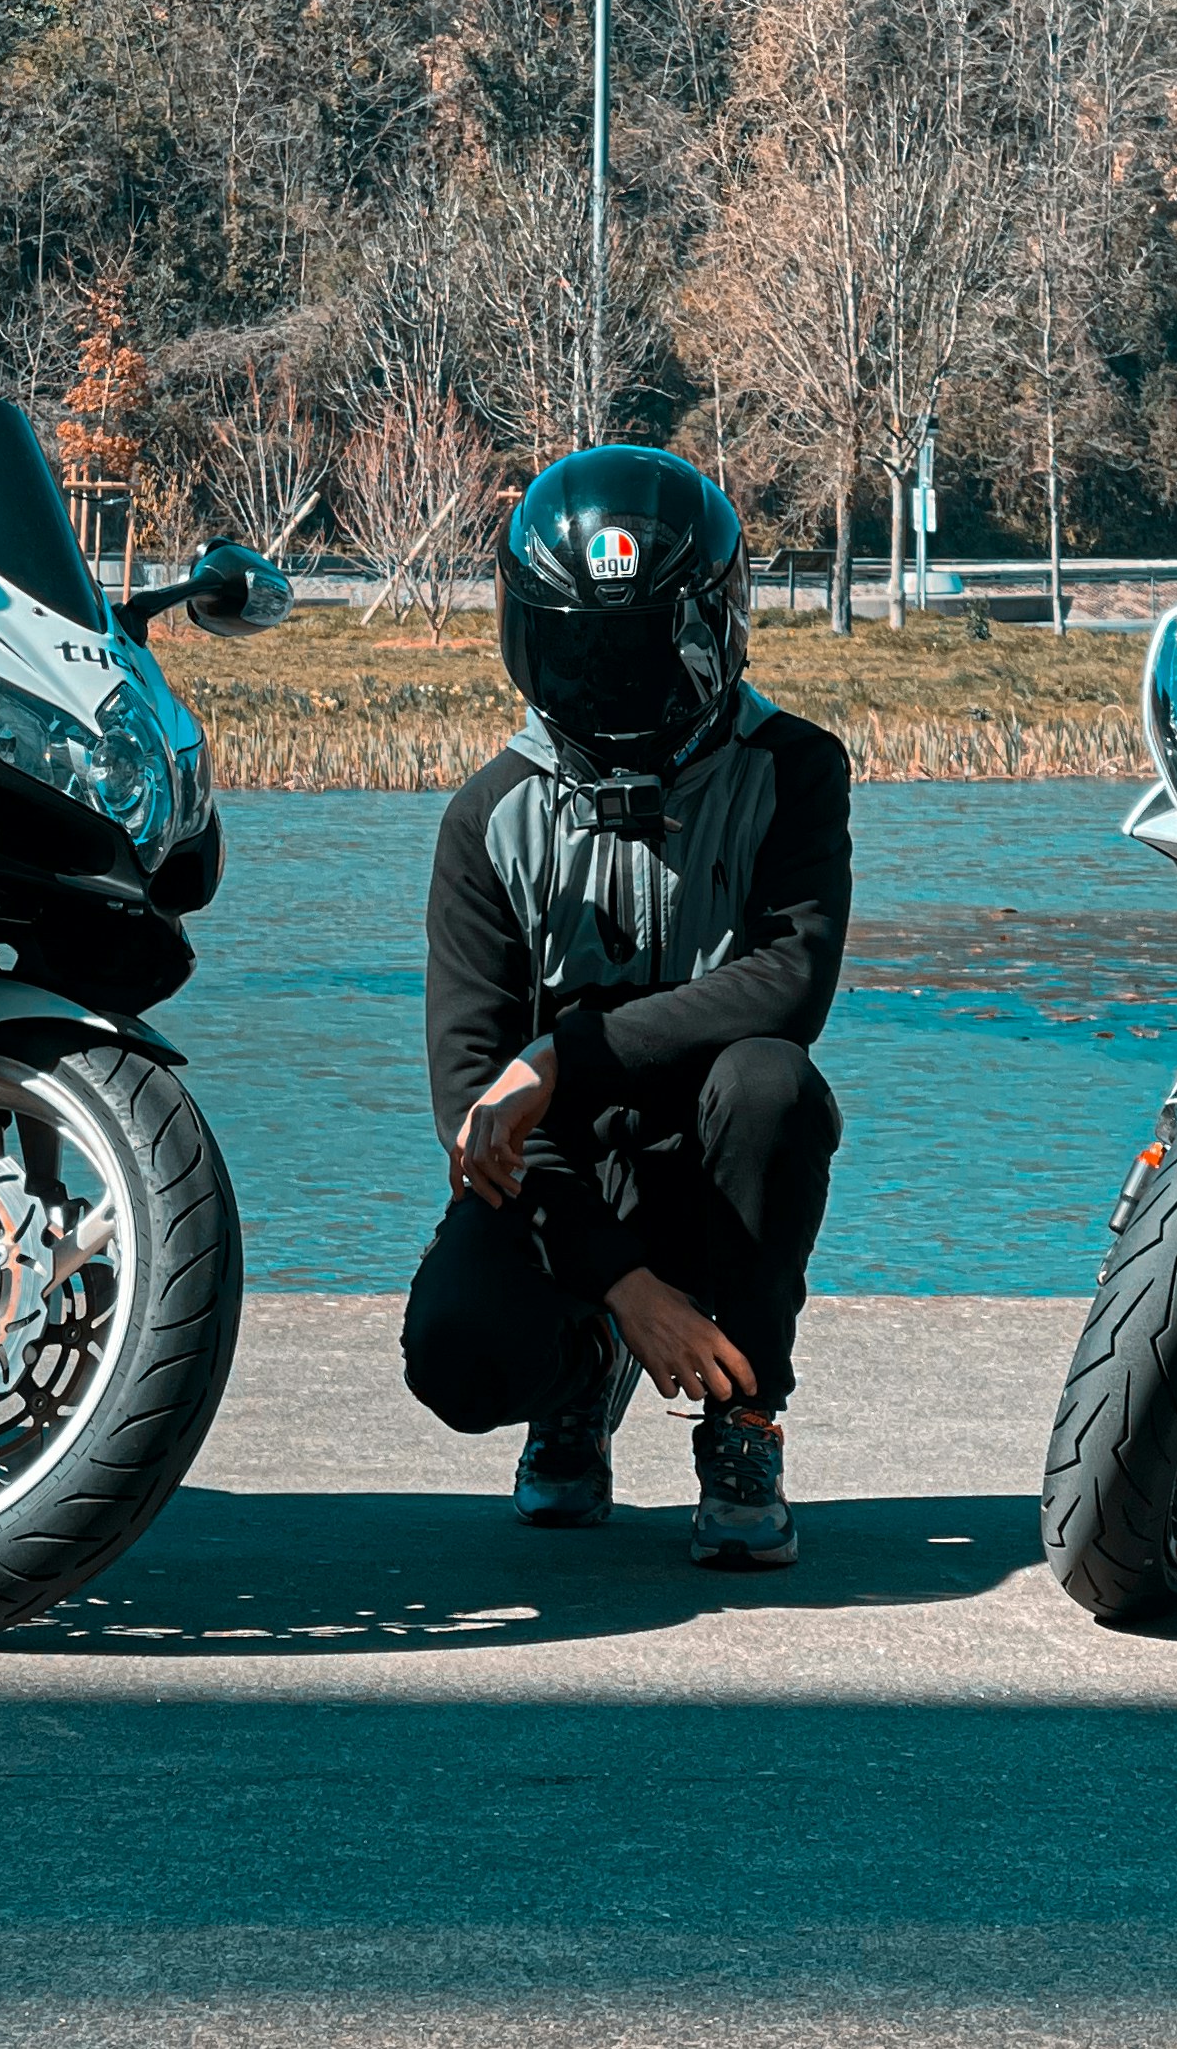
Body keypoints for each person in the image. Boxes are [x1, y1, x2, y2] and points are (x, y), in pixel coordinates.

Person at [403, 444, 851, 1570]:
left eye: (644, 649)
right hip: (566, 1184)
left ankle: (744, 1423)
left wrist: (565, 1053)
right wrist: (623, 1288)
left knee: (774, 1085)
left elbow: (789, 983)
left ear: (712, 630)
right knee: (454, 1358)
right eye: (581, 651)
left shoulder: (795, 768)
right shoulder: (485, 819)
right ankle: (580, 1371)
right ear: (529, 639)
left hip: (715, 1158)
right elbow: (472, 1102)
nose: (611, 680)